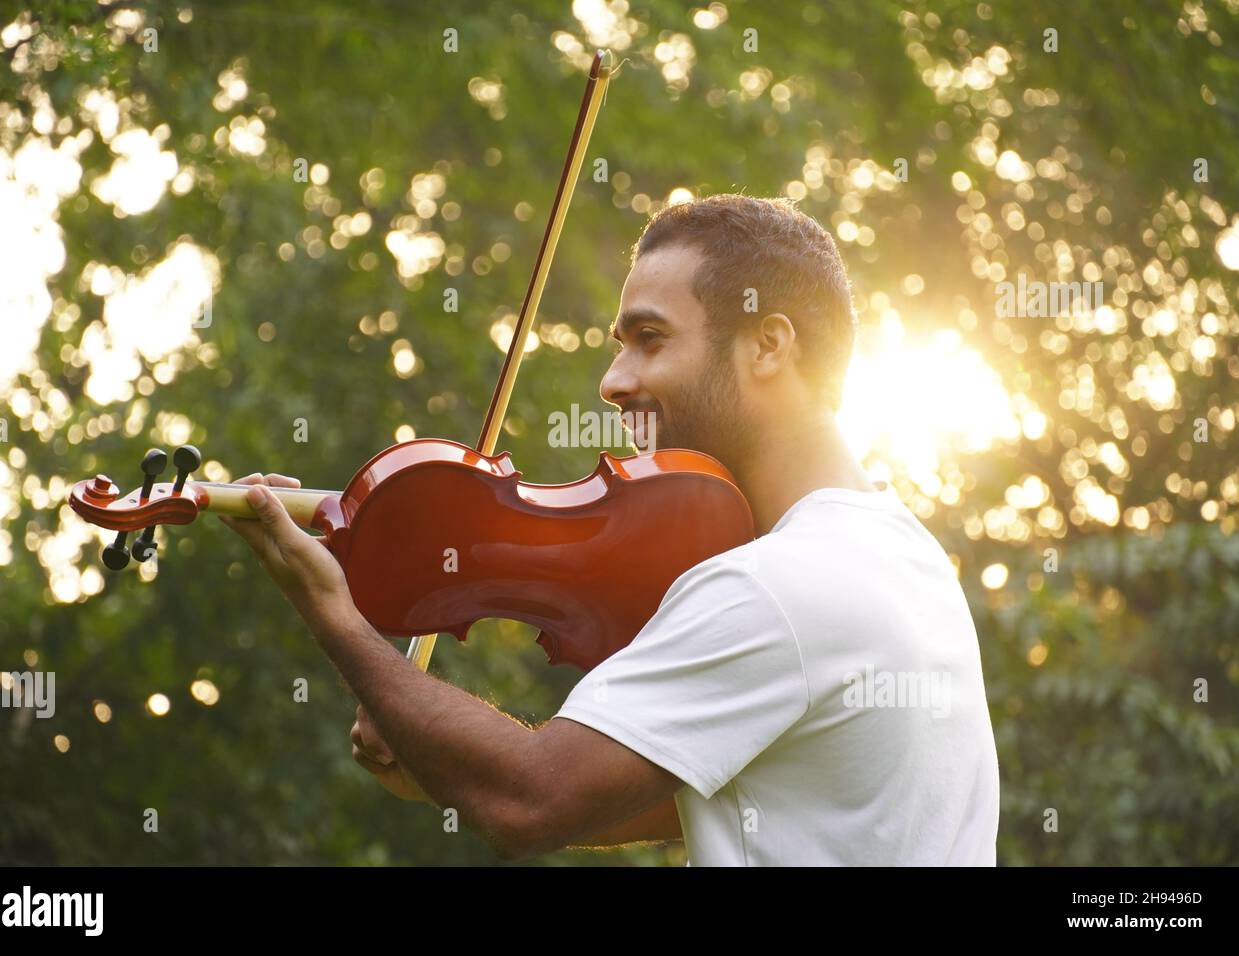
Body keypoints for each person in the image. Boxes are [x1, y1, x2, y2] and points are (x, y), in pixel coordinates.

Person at [224, 194, 1000, 865]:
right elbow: (682, 798)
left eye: (650, 338)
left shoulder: (776, 588)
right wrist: (438, 754)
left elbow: (530, 803)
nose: (614, 380)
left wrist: (336, 617)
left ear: (769, 344)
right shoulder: (908, 560)